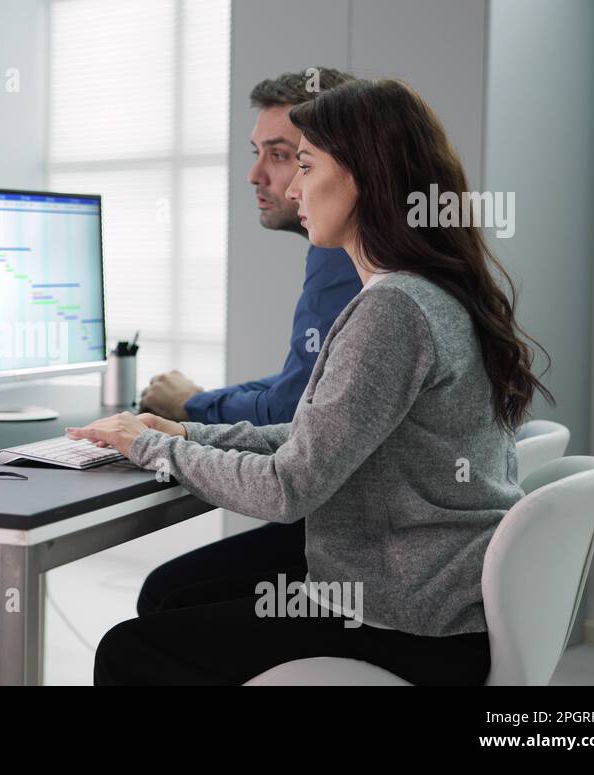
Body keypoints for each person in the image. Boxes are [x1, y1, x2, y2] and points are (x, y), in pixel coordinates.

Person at [67, 78, 552, 685]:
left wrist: (150, 447)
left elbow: (288, 488)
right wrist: (184, 433)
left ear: (365, 178)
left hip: (401, 621)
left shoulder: (393, 310)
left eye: (303, 164)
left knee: (128, 651)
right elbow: (311, 437)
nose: (291, 187)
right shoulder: (430, 291)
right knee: (173, 606)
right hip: (433, 610)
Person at [134, 69, 361, 619]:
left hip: (364, 561)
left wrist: (189, 412)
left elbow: (292, 419)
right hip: (372, 543)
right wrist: (194, 417)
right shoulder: (353, 257)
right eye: (259, 153)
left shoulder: (355, 267)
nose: (260, 175)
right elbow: (300, 389)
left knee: (161, 605)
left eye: (287, 157)